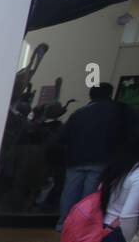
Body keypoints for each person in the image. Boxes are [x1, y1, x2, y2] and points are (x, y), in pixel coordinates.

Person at [55, 83, 131, 229]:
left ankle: (64, 223)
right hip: (101, 160)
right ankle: (82, 226)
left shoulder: (79, 113)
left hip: (75, 159)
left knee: (69, 192)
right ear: (110, 94)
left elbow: (62, 137)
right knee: (90, 195)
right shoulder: (119, 112)